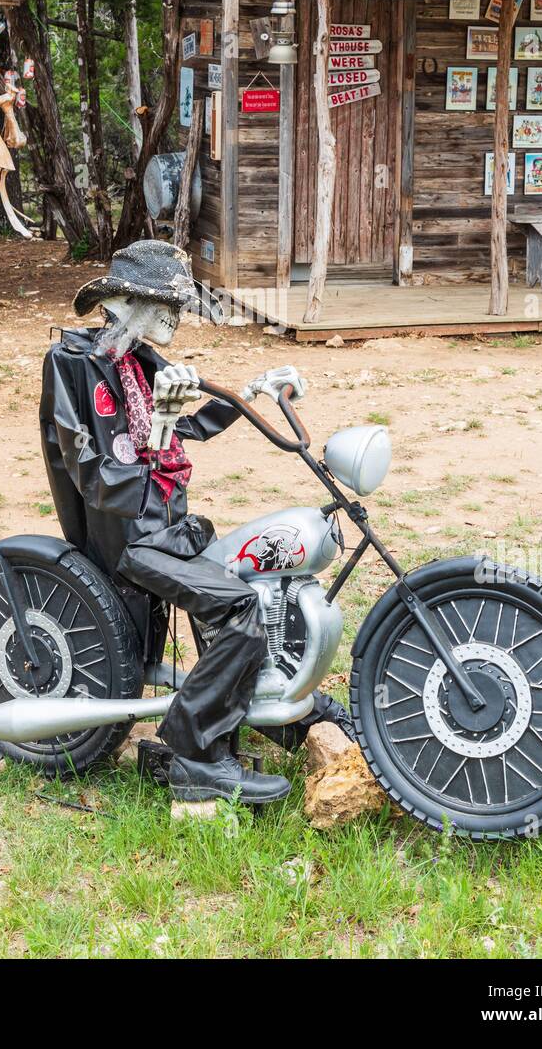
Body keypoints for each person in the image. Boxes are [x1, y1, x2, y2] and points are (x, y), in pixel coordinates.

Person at [39, 240, 352, 805]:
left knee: (259, 579)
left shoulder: (138, 359)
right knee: (238, 608)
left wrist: (250, 391)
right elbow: (97, 474)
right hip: (130, 542)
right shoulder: (75, 365)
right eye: (168, 305)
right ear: (128, 300)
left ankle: (281, 709)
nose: (177, 319)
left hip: (173, 530)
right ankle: (197, 755)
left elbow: (184, 431)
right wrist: (160, 421)